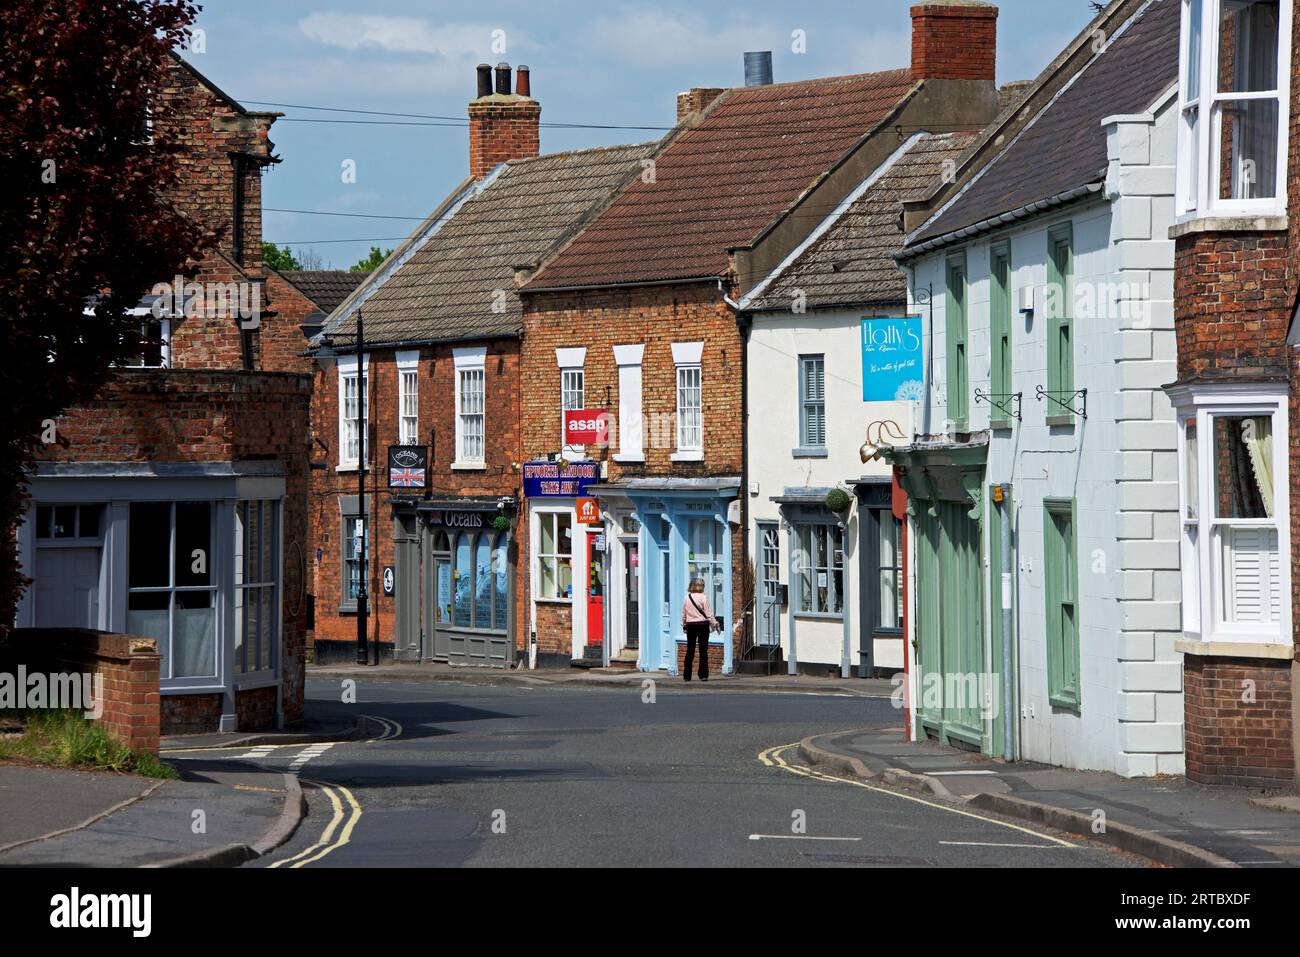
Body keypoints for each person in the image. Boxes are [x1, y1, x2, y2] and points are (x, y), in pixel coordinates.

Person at [681, 578, 721, 682]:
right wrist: (715, 623)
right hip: (702, 625)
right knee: (703, 651)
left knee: (690, 650)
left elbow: (683, 614)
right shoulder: (703, 597)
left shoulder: (687, 597)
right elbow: (708, 613)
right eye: (703, 585)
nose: (704, 587)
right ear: (700, 586)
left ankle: (687, 675)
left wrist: (684, 625)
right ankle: (703, 675)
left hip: (691, 626)